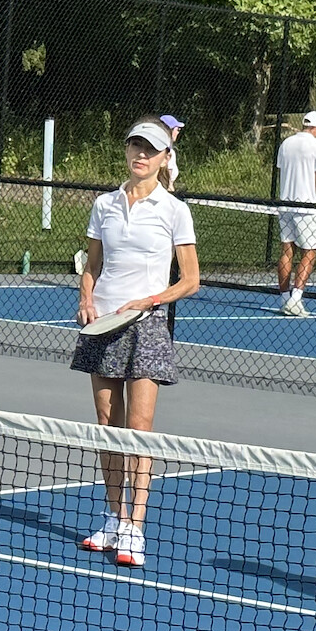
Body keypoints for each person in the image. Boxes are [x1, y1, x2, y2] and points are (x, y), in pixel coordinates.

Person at [73, 117, 200, 569]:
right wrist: (87, 297)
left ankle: (135, 528)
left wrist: (150, 299)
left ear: (166, 158)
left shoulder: (174, 210)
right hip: (104, 322)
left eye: (151, 149)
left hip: (148, 324)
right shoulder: (104, 205)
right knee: (107, 422)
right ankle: (113, 516)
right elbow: (92, 264)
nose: (141, 155)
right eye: (135, 147)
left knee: (139, 428)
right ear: (126, 152)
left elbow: (191, 280)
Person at [274, 111, 316, 317]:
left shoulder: (286, 144)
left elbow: (283, 172)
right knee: (310, 252)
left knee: (286, 251)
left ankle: (284, 300)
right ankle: (295, 299)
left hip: (285, 205)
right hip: (306, 209)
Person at [159, 114, 183, 189]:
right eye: (177, 129)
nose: (178, 132)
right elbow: (167, 181)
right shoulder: (169, 152)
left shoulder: (157, 149)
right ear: (170, 130)